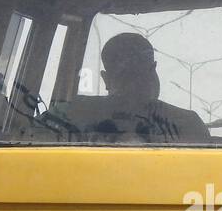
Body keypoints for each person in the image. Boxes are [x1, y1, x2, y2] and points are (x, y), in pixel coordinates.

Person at [44, 32, 210, 142]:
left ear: (106, 79)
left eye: (141, 73)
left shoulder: (67, 114)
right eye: (128, 75)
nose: (136, 83)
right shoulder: (187, 123)